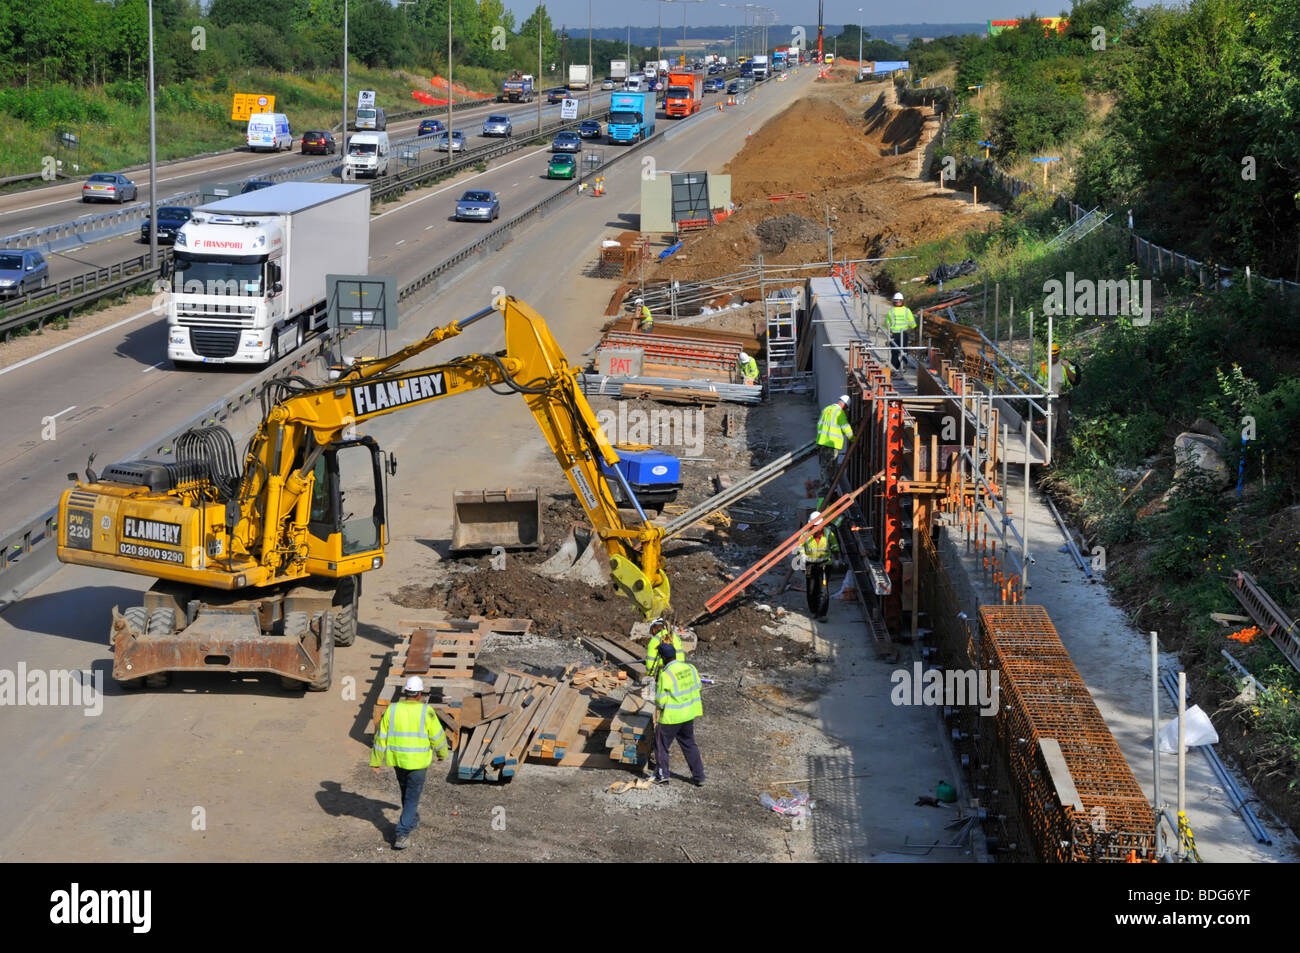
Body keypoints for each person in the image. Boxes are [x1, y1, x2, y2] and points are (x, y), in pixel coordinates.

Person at [370, 675, 450, 850]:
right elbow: (437, 736)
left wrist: (376, 761)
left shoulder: (392, 709)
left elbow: (381, 737)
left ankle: (411, 818)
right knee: (412, 797)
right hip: (418, 764)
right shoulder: (426, 712)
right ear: (420, 693)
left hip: (398, 761)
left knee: (406, 792)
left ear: (405, 692)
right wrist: (442, 754)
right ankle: (402, 833)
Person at [652, 644, 705, 787]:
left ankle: (662, 775)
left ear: (663, 658)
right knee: (689, 744)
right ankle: (699, 776)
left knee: (661, 745)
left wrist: (657, 702)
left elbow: (660, 700)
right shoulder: (691, 668)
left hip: (671, 717)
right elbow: (698, 686)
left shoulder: (666, 674)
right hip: (688, 714)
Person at [1037, 342, 1079, 444]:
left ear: (1058, 354)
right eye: (1051, 356)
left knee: (1063, 418)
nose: (1053, 358)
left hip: (1063, 396)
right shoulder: (1044, 366)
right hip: (1050, 396)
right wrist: (1037, 394)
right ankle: (1050, 442)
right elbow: (1039, 382)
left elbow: (1073, 379)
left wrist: (1066, 368)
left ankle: (1064, 441)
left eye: (1055, 356)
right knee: (1052, 419)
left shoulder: (1066, 365)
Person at [816, 395, 853, 490]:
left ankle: (824, 492)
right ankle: (830, 492)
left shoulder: (826, 409)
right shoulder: (839, 412)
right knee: (831, 470)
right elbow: (846, 428)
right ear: (845, 405)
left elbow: (820, 425)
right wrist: (853, 439)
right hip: (831, 445)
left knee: (824, 469)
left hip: (821, 443)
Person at [802, 512, 833, 621]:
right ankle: (813, 611)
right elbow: (798, 548)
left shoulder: (829, 533)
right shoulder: (804, 534)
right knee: (811, 589)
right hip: (810, 565)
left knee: (823, 589)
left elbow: (835, 547)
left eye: (819, 526)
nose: (817, 528)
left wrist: (837, 559)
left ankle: (822, 614)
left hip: (824, 565)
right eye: (814, 526)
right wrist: (801, 560)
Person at [885, 292, 917, 371]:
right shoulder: (907, 311)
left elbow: (886, 324)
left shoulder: (891, 311)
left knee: (894, 352)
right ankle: (904, 365)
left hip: (894, 334)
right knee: (904, 350)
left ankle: (895, 367)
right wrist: (913, 329)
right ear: (902, 301)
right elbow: (913, 324)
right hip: (904, 334)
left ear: (894, 301)